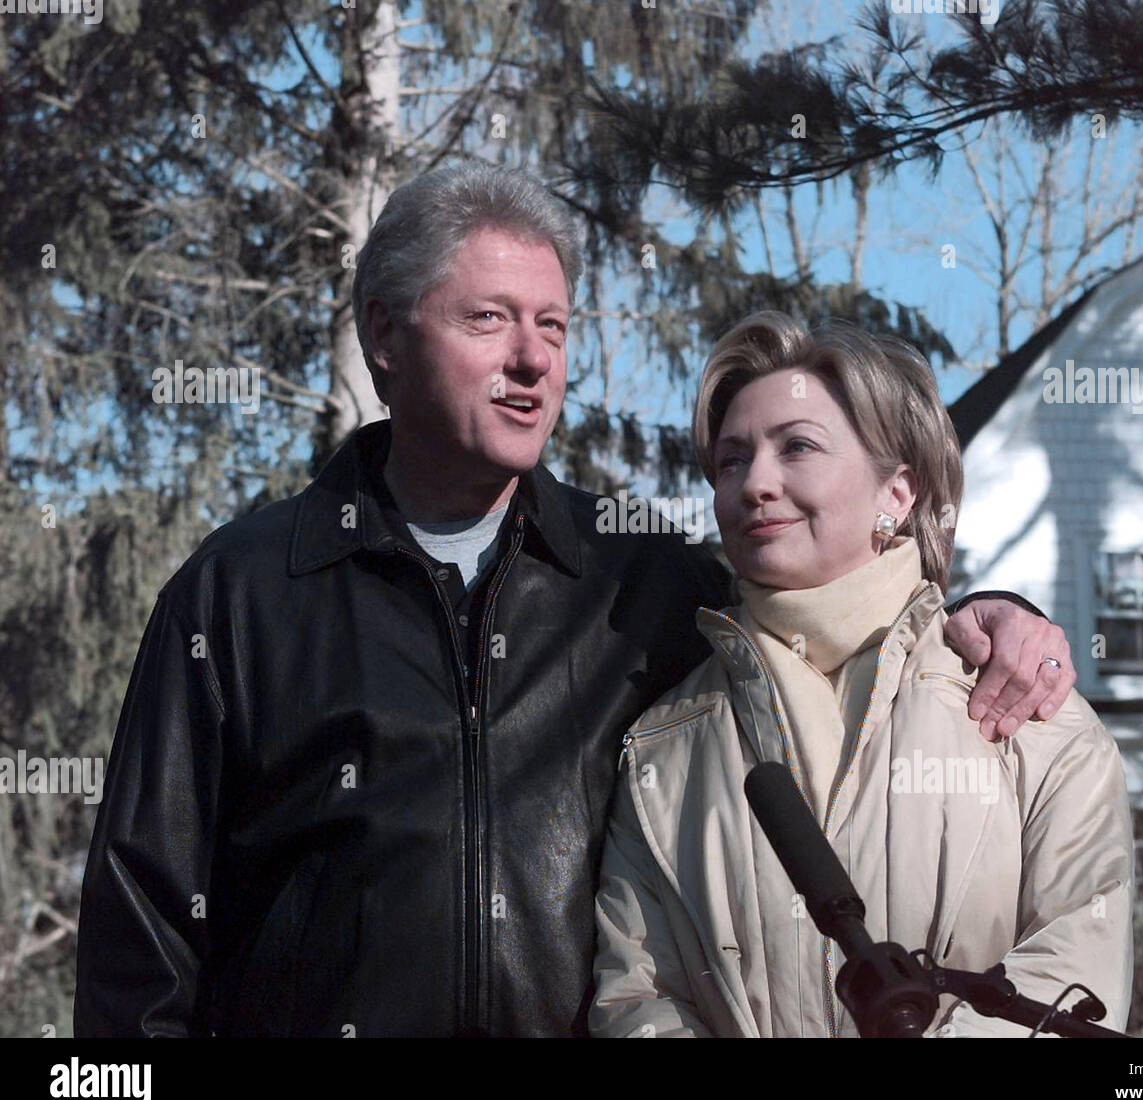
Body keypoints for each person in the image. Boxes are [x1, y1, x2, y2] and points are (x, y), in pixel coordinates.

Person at [75, 162, 1081, 1037]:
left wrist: (985, 605)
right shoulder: (244, 590)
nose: (533, 358)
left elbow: (836, 610)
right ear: (382, 333)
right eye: (489, 318)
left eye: (552, 324)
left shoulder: (642, 579)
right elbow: (142, 929)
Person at [590, 311, 1134, 1037]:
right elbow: (637, 997)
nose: (755, 482)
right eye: (730, 459)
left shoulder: (1035, 713)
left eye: (798, 447)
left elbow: (1076, 977)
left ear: (898, 494)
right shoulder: (660, 749)